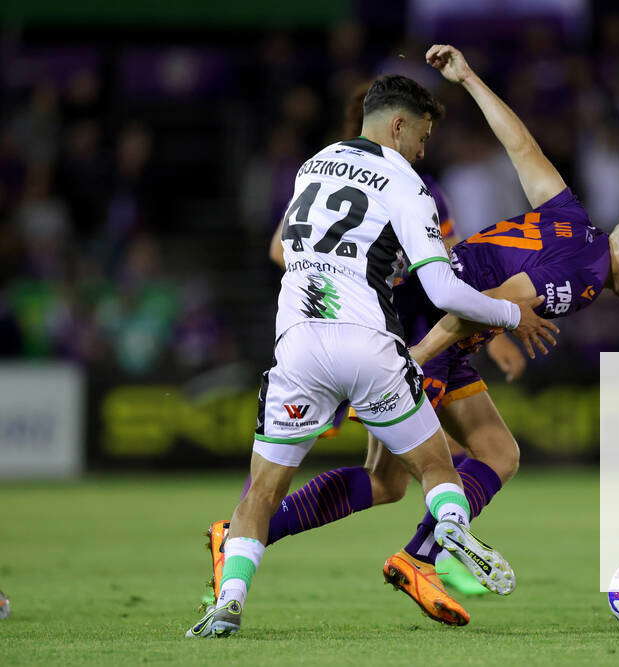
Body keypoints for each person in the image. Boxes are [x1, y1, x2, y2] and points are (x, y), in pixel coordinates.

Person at [206, 43, 619, 629]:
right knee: (397, 479)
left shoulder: (573, 222)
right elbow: (470, 312)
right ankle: (401, 557)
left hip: (427, 329)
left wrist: (470, 79)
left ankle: (395, 553)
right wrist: (410, 363)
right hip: (425, 329)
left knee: (493, 453)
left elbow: (523, 148)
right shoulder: (583, 279)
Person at [185, 73, 558, 638]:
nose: (423, 150)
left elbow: (281, 248)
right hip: (372, 346)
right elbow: (444, 291)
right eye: (423, 137)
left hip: (298, 347)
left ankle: (230, 599)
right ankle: (449, 529)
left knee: (261, 491)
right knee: (437, 467)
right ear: (400, 124)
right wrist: (511, 315)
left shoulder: (312, 166)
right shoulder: (409, 184)